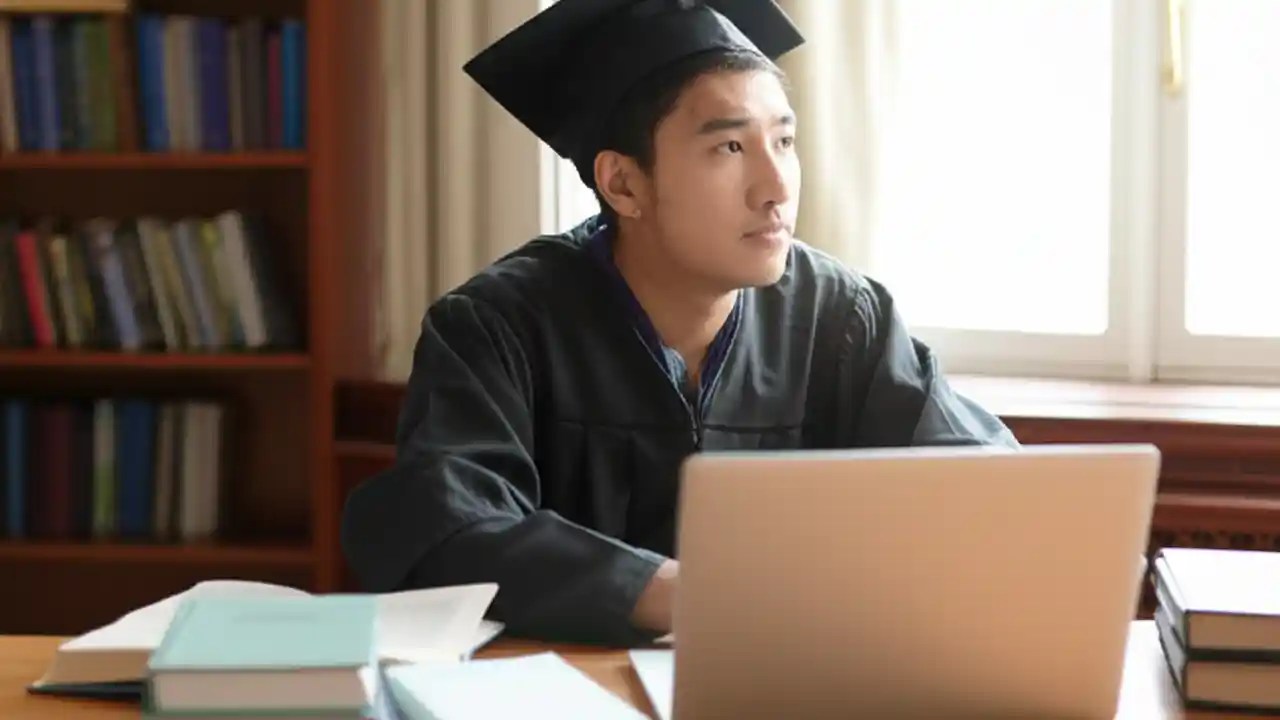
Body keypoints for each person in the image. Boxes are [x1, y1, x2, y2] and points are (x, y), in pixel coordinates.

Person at [341, 0, 1018, 646]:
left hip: (792, 681)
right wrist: (679, 593)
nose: (776, 185)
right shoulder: (498, 328)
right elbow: (448, 528)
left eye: (784, 140)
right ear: (624, 185)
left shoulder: (842, 318)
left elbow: (980, 485)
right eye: (729, 149)